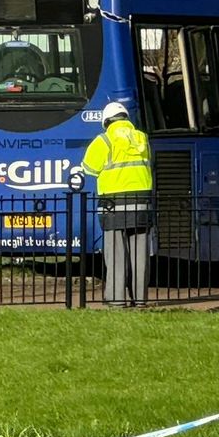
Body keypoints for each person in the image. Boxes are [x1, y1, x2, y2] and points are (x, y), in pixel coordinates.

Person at [82, 101, 154, 305]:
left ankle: (116, 299)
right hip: (142, 203)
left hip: (113, 205)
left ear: (106, 121)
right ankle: (140, 299)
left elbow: (89, 168)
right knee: (140, 255)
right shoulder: (142, 138)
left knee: (115, 255)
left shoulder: (104, 140)